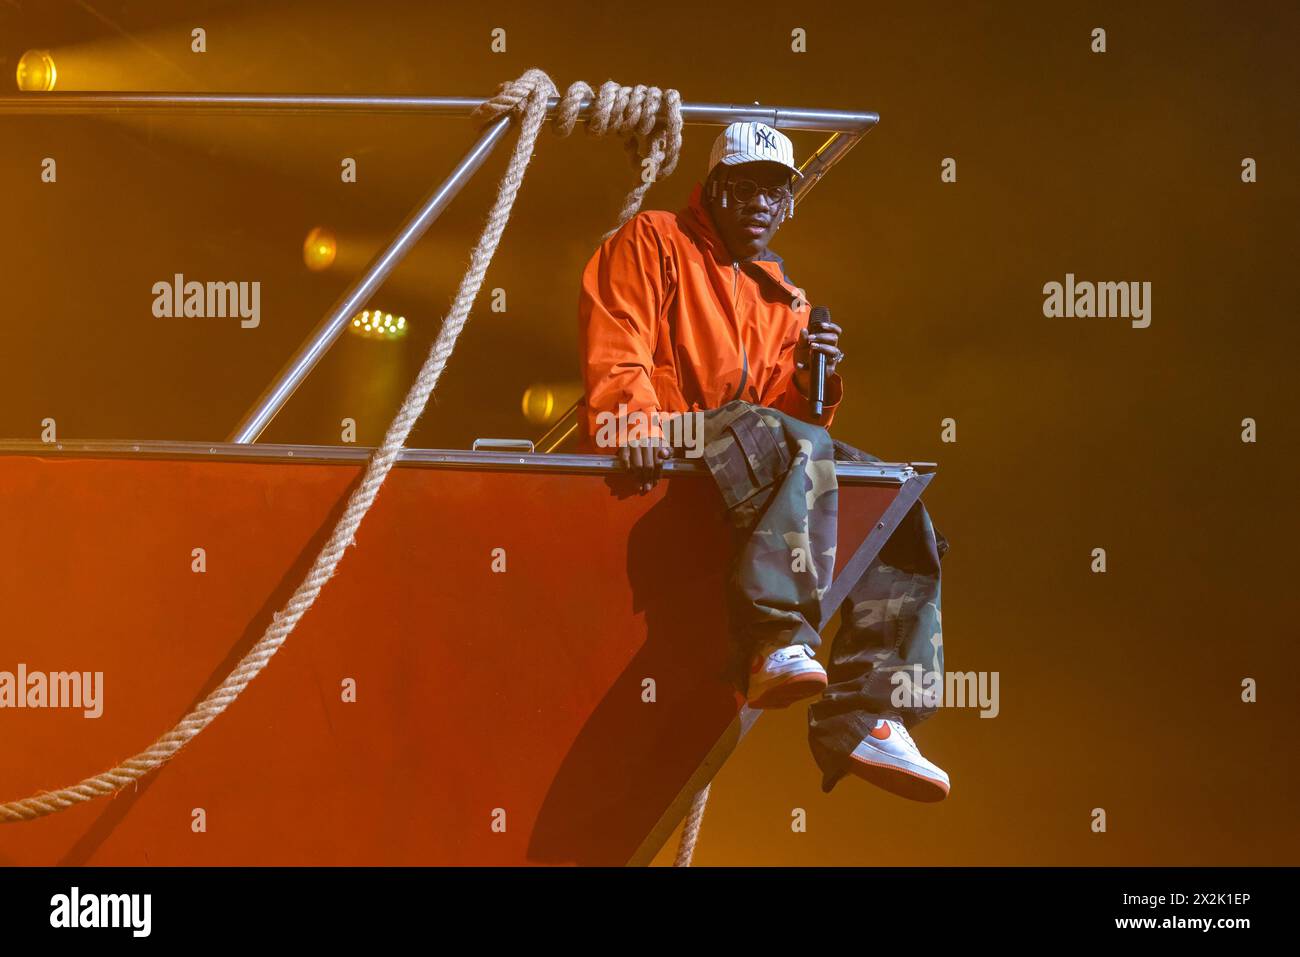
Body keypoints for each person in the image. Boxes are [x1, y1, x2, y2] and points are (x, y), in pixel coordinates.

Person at [577, 121, 951, 801]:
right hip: (672, 437)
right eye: (743, 187)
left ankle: (868, 712)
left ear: (788, 205)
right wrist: (631, 420)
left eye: (773, 192)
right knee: (783, 439)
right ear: (714, 189)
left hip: (739, 447)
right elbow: (620, 329)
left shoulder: (786, 298)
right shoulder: (656, 239)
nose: (758, 204)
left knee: (894, 493)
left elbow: (792, 426)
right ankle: (775, 637)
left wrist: (818, 378)